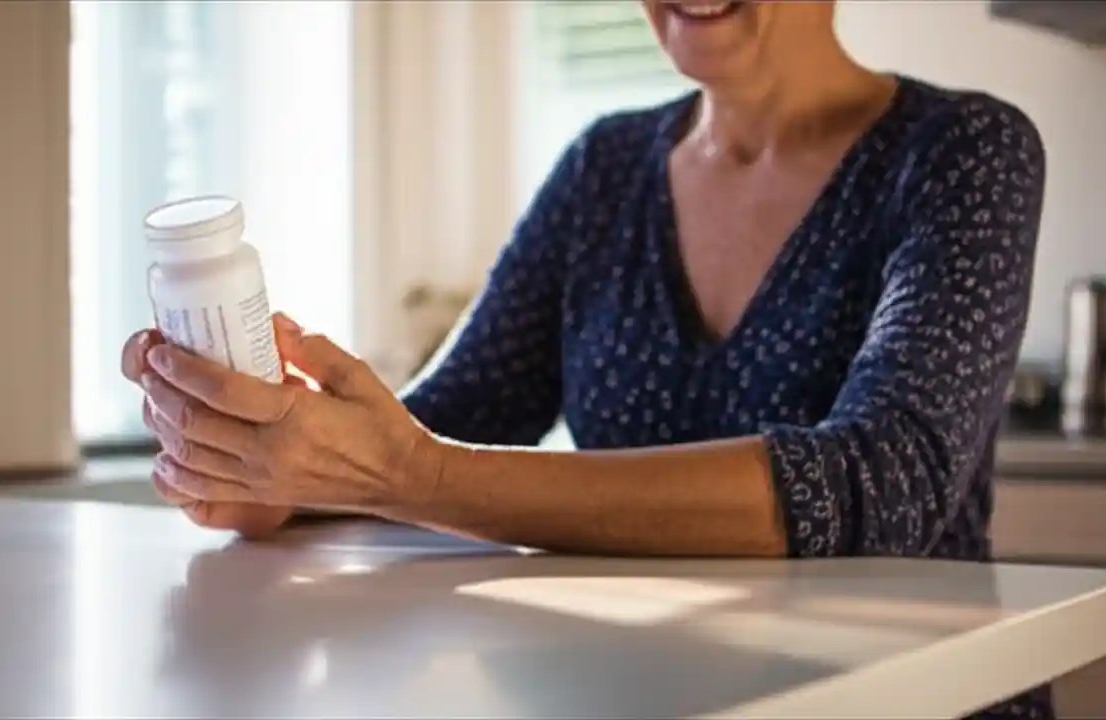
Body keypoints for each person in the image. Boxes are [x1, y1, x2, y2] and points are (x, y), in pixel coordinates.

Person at [123, 1, 1048, 717]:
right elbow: (444, 426)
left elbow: (882, 486)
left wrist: (409, 473)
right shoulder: (603, 171)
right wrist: (280, 475)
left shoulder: (964, 152)